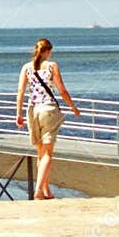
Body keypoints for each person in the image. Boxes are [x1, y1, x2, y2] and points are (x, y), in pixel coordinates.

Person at [15, 37, 81, 200]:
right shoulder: (52, 66)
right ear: (47, 51)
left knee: (40, 153)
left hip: (33, 110)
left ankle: (46, 191)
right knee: (48, 154)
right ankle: (38, 190)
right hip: (48, 110)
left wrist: (18, 114)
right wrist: (73, 107)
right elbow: (62, 90)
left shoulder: (26, 67)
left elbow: (21, 92)